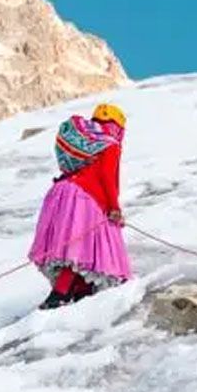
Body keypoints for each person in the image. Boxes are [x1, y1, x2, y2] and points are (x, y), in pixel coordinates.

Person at [29, 103, 132, 309]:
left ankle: (78, 292)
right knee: (83, 248)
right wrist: (114, 208)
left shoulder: (86, 141)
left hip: (62, 193)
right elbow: (106, 178)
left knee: (73, 246)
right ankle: (60, 293)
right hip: (85, 197)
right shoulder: (110, 144)